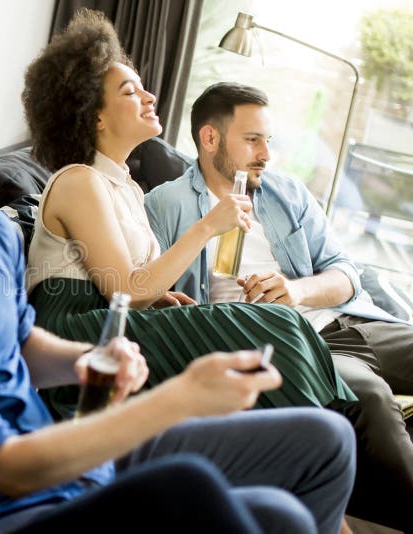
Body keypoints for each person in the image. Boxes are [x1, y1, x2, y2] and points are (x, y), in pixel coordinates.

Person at [0, 31, 356, 534]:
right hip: (19, 486)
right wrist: (179, 396)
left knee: (294, 496)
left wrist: (80, 360)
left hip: (60, 440)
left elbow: (20, 339)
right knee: (194, 478)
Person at [20, 9, 355, 422]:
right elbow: (126, 289)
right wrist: (207, 227)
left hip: (112, 320)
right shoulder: (78, 181)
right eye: (130, 92)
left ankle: (323, 424)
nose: (149, 98)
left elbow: (132, 284)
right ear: (95, 116)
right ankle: (323, 426)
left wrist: (160, 296)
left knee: (284, 322)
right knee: (275, 325)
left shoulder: (125, 186)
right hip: (77, 336)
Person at [145, 81, 413, 531]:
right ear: (209, 138)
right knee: (369, 398)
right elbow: (156, 299)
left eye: (268, 140)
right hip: (299, 348)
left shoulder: (286, 192)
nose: (266, 154)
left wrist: (297, 290)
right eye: (252, 140)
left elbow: (345, 272)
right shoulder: (165, 206)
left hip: (349, 320)